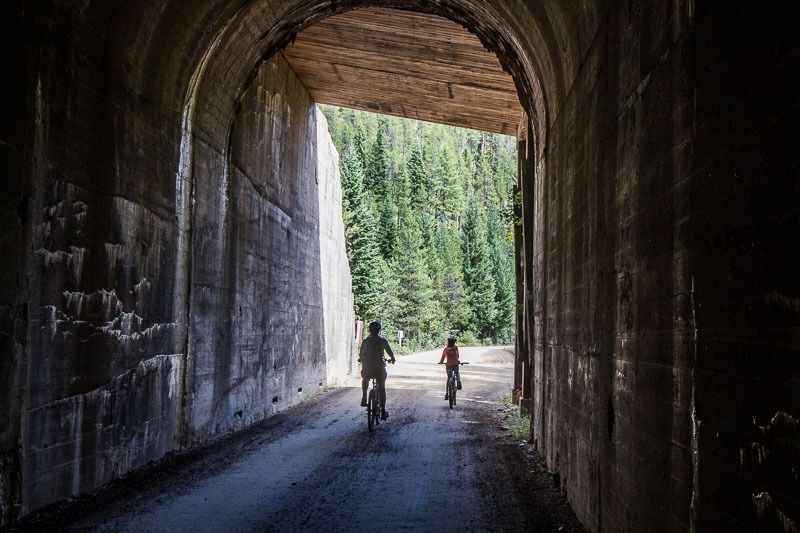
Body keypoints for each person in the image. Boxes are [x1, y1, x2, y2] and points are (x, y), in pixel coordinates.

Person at [358, 320, 396, 420]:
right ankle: (383, 411)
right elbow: (390, 352)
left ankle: (364, 396)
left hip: (368, 368)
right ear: (379, 330)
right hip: (379, 369)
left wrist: (362, 359)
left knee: (365, 377)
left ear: (369, 330)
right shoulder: (383, 340)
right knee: (382, 388)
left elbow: (361, 353)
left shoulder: (366, 341)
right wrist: (392, 359)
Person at [438, 334, 462, 399]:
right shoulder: (455, 348)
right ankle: (459, 382)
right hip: (455, 365)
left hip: (448, 365)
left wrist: (441, 362)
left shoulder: (445, 349)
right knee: (457, 373)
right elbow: (458, 356)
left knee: (448, 378)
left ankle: (446, 394)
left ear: (448, 341)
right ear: (454, 342)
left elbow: (442, 358)